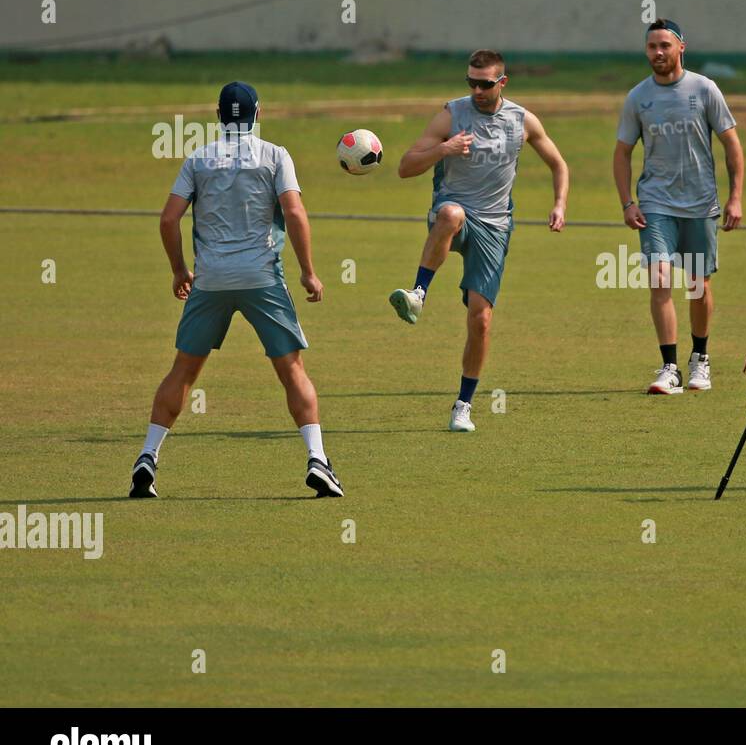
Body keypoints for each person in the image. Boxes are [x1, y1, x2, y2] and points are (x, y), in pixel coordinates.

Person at [132, 82, 341, 499]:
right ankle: (317, 459)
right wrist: (309, 273)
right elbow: (295, 213)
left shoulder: (199, 158)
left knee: (183, 372)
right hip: (262, 277)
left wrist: (179, 270)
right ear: (258, 114)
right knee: (291, 371)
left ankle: (147, 457)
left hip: (210, 280)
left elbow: (169, 219)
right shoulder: (276, 155)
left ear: (218, 116)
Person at [388, 49, 569, 432]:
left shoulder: (522, 120)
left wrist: (559, 204)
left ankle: (463, 405)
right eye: (471, 82)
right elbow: (405, 167)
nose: (477, 90)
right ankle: (419, 293)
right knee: (451, 214)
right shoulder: (452, 114)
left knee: (481, 319)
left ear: (502, 82)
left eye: (485, 84)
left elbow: (558, 163)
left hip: (495, 226)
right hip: (454, 215)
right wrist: (444, 149)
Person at [613, 18, 744, 394]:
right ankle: (669, 367)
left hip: (701, 203)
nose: (657, 53)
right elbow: (622, 153)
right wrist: (627, 202)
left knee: (698, 284)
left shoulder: (704, 89)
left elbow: (731, 144)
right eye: (652, 46)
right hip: (656, 203)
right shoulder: (639, 97)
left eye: (664, 46)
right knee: (659, 279)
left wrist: (735, 197)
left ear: (680, 47)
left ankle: (700, 358)